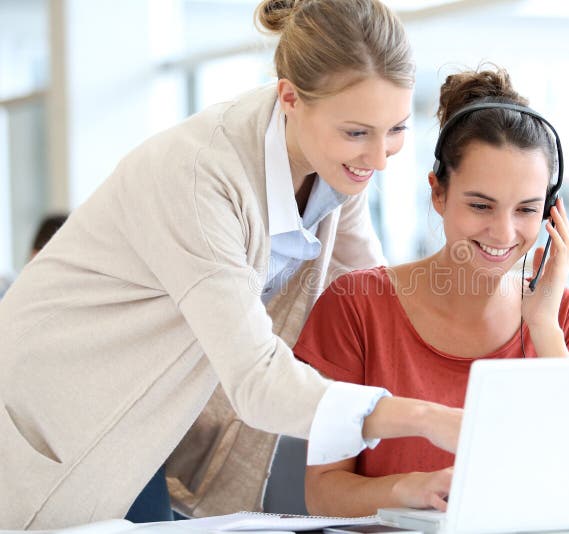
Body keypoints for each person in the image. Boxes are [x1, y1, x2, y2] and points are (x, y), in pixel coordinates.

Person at [0, 0, 462, 529]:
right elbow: (257, 380)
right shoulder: (200, 177)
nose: (379, 158)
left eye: (396, 129)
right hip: (58, 403)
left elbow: (370, 294)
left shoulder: (334, 161)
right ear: (290, 97)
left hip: (144, 420)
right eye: (358, 132)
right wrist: (423, 418)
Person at [295, 67, 569, 517]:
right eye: (480, 205)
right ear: (438, 194)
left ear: (551, 214)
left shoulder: (562, 318)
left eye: (526, 210)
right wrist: (411, 490)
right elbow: (323, 492)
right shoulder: (356, 307)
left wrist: (542, 326)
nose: (503, 231)